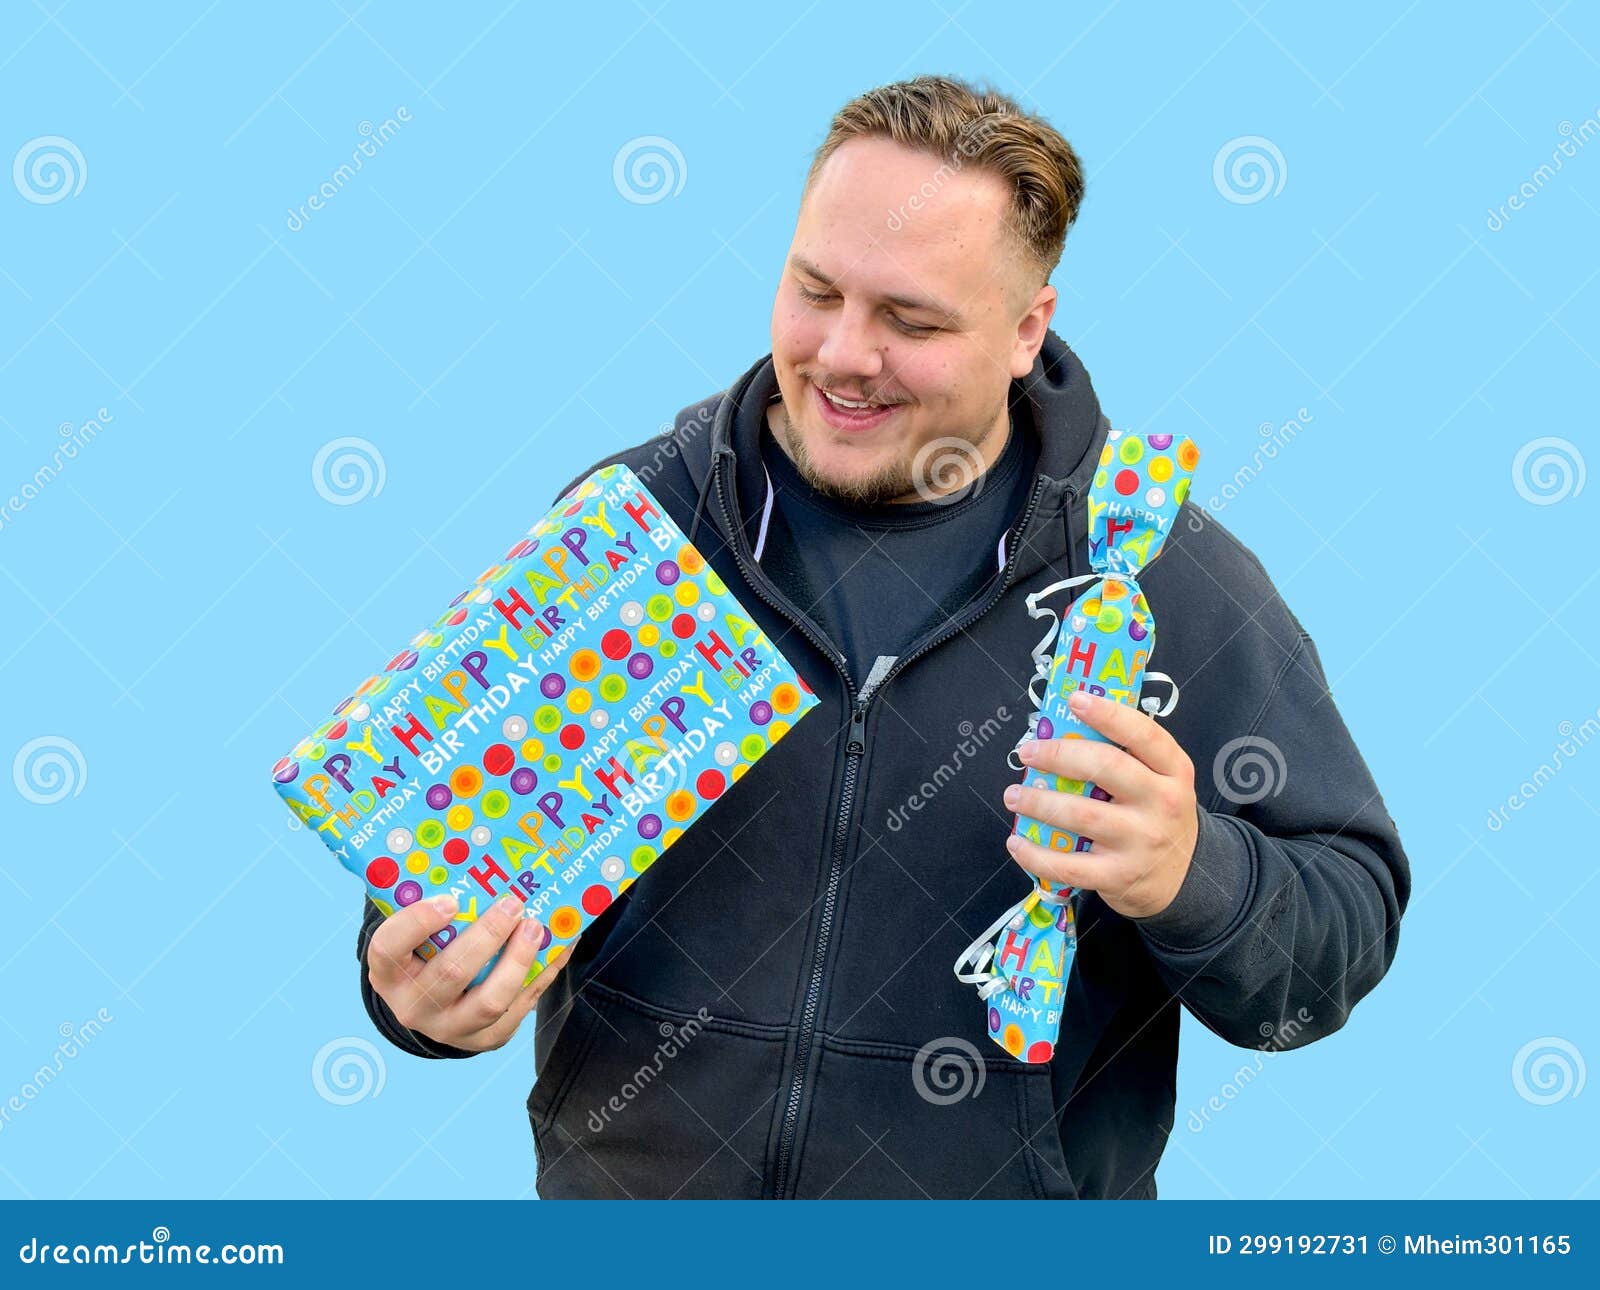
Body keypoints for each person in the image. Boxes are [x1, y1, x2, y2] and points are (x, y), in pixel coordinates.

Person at [359, 74, 1411, 1200]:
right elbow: (445, 862)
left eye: (909, 321)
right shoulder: (633, 533)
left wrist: (1189, 869)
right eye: (816, 291)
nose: (842, 355)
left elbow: (1337, 935)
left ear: (1025, 330)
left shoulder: (1155, 575)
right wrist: (416, 997)